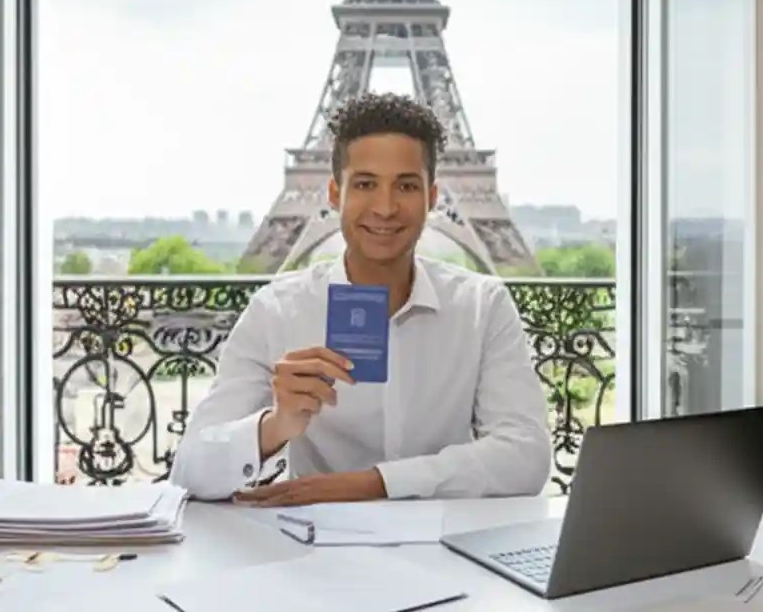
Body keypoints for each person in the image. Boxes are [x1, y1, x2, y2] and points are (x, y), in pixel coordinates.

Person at [170, 93, 551, 506]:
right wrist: (275, 424)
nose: (385, 208)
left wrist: (374, 483)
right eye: (366, 184)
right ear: (335, 194)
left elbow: (526, 456)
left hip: (445, 553)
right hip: (315, 553)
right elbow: (190, 470)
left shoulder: (483, 306)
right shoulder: (275, 311)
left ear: (432, 197)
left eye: (405, 185)